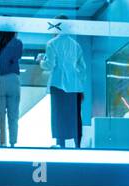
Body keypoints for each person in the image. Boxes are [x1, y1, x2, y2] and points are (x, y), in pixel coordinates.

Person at [40, 18, 86, 148]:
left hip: (58, 84)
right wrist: (80, 85)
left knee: (59, 116)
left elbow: (50, 64)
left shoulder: (52, 43)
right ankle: (78, 145)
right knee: (75, 116)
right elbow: (82, 69)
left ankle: (61, 145)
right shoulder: (76, 45)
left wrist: (40, 62)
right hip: (74, 85)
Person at [0, 31, 23, 148]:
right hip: (13, 80)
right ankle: (12, 143)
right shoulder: (17, 43)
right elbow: (16, 57)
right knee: (13, 115)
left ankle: (1, 144)